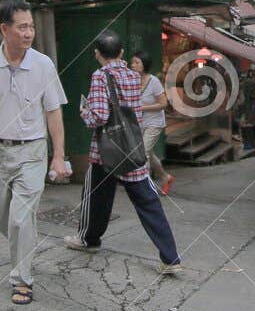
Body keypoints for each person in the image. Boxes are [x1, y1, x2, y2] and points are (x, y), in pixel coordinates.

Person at [0, 1, 68, 306]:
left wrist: (58, 155)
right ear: (4, 29)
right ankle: (23, 250)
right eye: (22, 27)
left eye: (31, 26)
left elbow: (53, 112)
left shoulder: (43, 65)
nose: (29, 32)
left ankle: (22, 279)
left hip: (32, 152)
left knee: (21, 219)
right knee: (1, 217)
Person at [65, 31, 183, 274]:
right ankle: (170, 258)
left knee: (95, 198)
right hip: (131, 147)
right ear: (121, 53)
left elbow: (99, 116)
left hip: (105, 151)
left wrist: (84, 113)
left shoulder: (100, 76)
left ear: (97, 54)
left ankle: (89, 240)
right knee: (149, 201)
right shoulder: (133, 75)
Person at [130, 51, 174, 196]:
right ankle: (165, 177)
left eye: (137, 62)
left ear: (145, 65)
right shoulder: (132, 81)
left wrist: (142, 108)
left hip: (154, 123)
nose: (133, 65)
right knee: (149, 153)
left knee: (143, 154)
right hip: (140, 123)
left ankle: (146, 188)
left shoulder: (153, 81)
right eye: (132, 62)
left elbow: (163, 103)